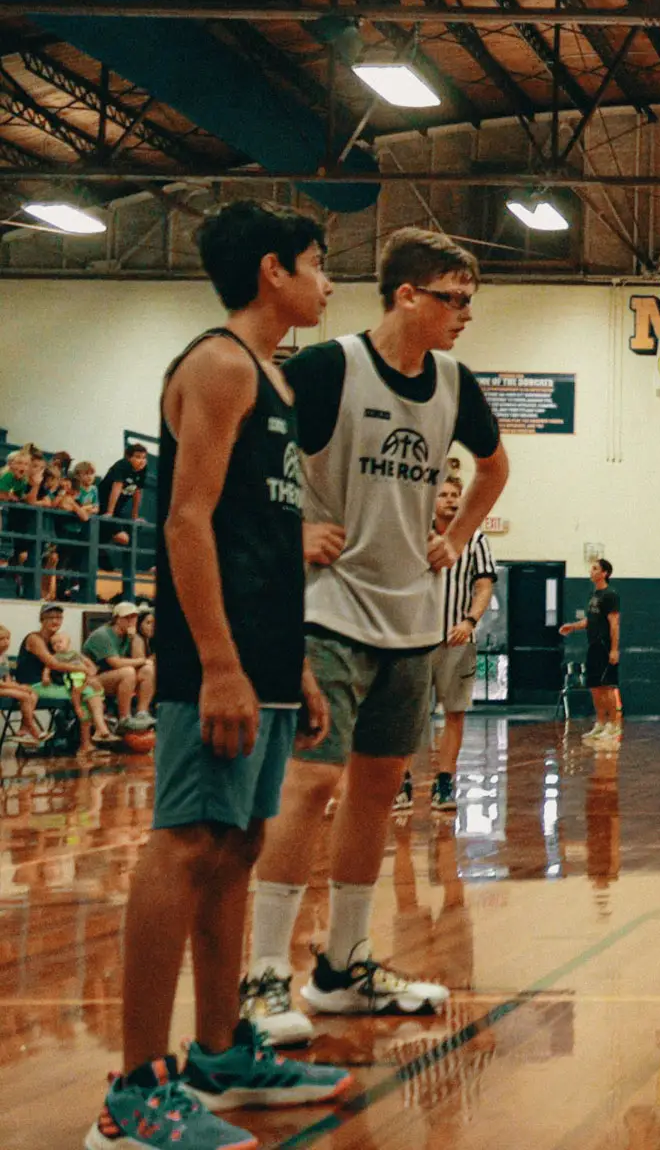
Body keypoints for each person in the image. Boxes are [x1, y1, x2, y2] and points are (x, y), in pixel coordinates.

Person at [89, 199, 353, 1150]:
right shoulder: (215, 364)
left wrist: (297, 666)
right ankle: (133, 1089)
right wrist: (221, 665)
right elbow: (187, 522)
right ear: (273, 270)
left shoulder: (274, 386)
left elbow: (263, 538)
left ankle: (216, 1053)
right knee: (186, 843)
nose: (329, 283)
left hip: (271, 656)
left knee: (239, 845)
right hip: (218, 659)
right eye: (319, 265)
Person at [244, 227, 510, 1039]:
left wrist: (458, 536)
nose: (466, 314)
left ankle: (343, 965)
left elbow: (494, 468)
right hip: (327, 610)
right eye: (453, 299)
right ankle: (260, 975)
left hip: (411, 621)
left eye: (470, 300)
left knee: (375, 792)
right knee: (309, 785)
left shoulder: (456, 383)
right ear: (407, 295)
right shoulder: (328, 368)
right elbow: (241, 459)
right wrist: (287, 533)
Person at [397, 477, 496, 814]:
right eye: (445, 494)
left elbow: (484, 586)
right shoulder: (412, 535)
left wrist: (469, 621)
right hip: (415, 641)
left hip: (457, 640)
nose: (452, 500)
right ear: (431, 499)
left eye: (457, 495)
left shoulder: (476, 538)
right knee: (409, 715)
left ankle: (444, 782)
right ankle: (402, 782)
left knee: (454, 713)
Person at [20, 602, 110, 750]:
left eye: (59, 617)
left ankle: (92, 737)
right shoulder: (34, 639)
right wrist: (82, 669)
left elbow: (79, 658)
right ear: (42, 619)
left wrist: (89, 674)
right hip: (34, 686)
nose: (55, 621)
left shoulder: (57, 641)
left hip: (55, 686)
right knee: (86, 694)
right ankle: (89, 739)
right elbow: (53, 664)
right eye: (51, 617)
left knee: (87, 691)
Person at [560, 560, 622, 745]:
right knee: (595, 687)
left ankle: (612, 725)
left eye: (595, 568)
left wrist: (614, 649)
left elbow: (614, 623)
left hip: (605, 646)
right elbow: (590, 620)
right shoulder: (594, 594)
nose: (591, 571)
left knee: (607, 686)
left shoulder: (611, 595)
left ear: (604, 573)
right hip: (593, 646)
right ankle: (601, 723)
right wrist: (572, 626)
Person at [86, 600, 157, 731]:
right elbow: (115, 662)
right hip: (90, 680)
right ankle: (125, 718)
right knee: (128, 672)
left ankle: (142, 713)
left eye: (134, 617)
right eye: (127, 617)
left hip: (113, 677)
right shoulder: (102, 634)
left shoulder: (129, 635)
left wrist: (134, 637)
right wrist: (143, 661)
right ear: (117, 619)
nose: (132, 620)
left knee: (148, 670)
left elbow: (138, 660)